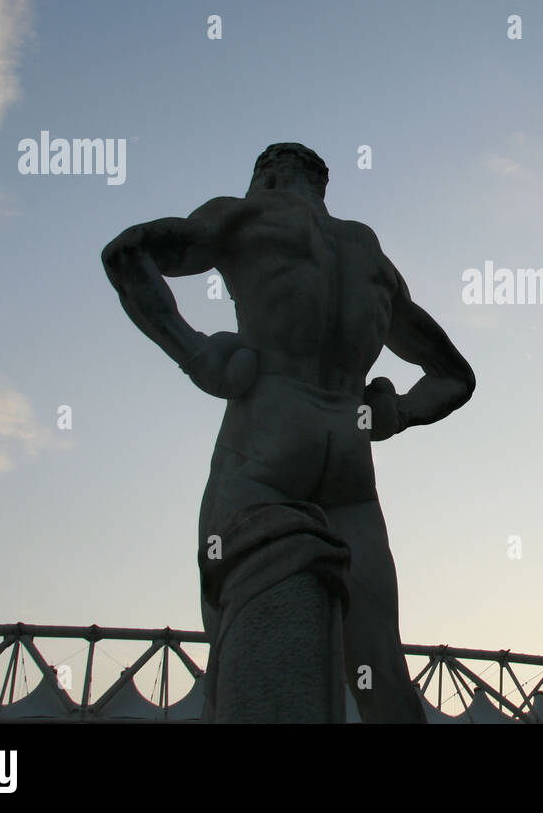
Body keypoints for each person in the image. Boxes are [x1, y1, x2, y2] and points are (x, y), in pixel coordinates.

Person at [103, 142, 475, 721]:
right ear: (320, 186)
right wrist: (395, 411)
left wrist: (195, 353)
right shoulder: (369, 255)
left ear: (269, 177)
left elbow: (128, 254)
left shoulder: (247, 213)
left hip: (268, 440)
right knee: (379, 659)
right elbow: (454, 377)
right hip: (349, 461)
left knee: (239, 624)